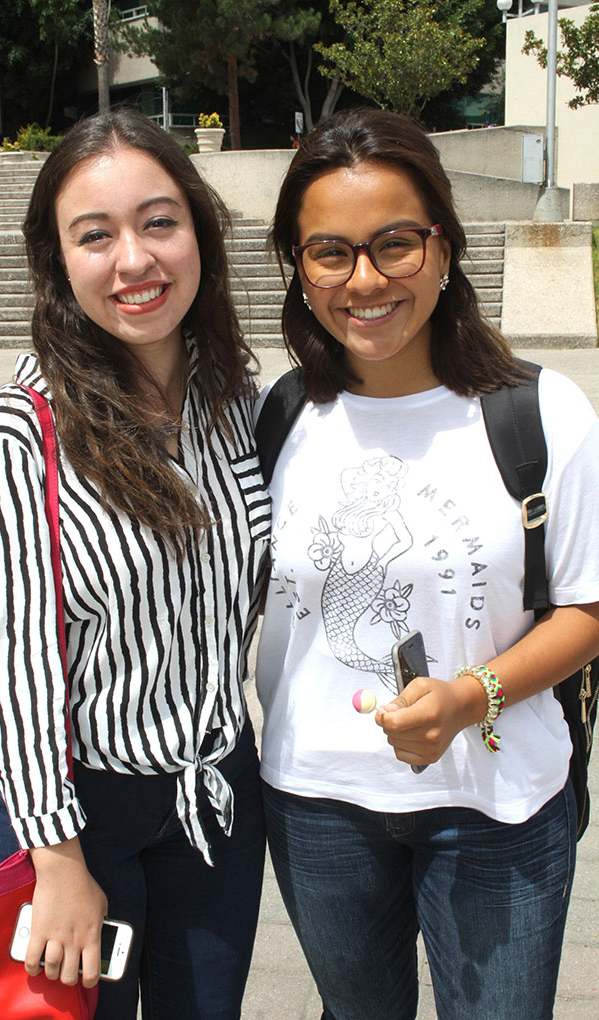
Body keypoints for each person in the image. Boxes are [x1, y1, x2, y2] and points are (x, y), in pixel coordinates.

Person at [254, 106, 599, 1020]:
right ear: (299, 270)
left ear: (443, 249)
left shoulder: (541, 412)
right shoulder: (278, 418)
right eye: (330, 252)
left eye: (394, 244)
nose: (364, 279)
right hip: (317, 798)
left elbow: (587, 609)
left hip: (498, 802)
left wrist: (468, 697)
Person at [0, 108, 270, 1020]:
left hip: (212, 792)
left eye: (159, 222)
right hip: (70, 807)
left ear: (200, 231)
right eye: (97, 236)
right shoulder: (20, 434)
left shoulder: (231, 399)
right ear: (59, 263)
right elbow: (13, 664)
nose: (135, 260)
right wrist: (57, 861)